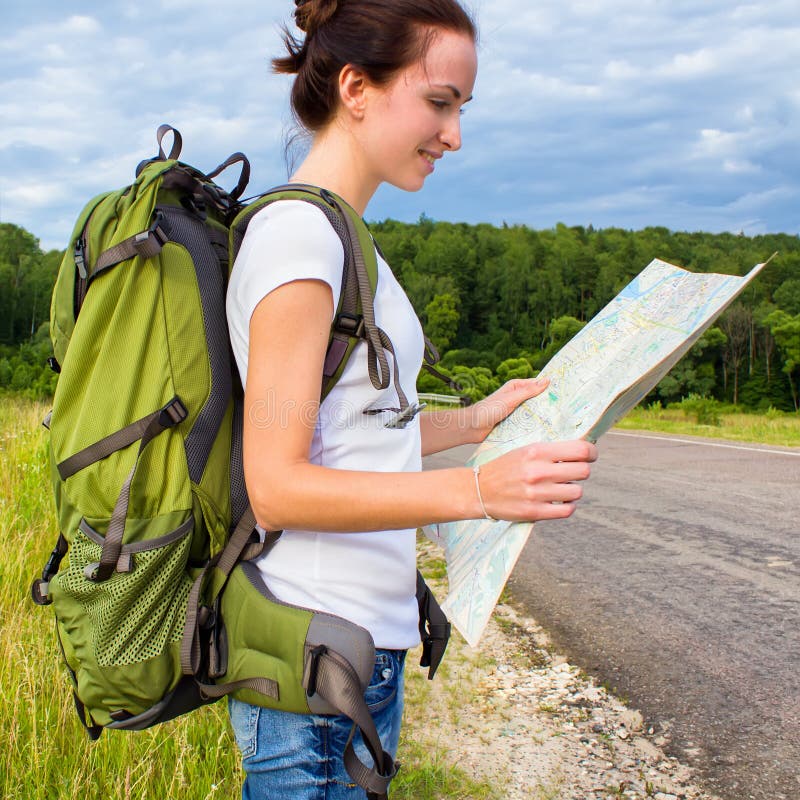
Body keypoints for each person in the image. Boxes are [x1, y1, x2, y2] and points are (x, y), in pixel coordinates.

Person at [225, 0, 598, 796]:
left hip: (351, 660)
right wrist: (476, 491)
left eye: (461, 107)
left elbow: (352, 430)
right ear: (356, 87)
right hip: (314, 671)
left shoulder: (345, 239)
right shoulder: (298, 242)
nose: (454, 134)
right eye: (439, 102)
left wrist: (475, 420)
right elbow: (277, 484)